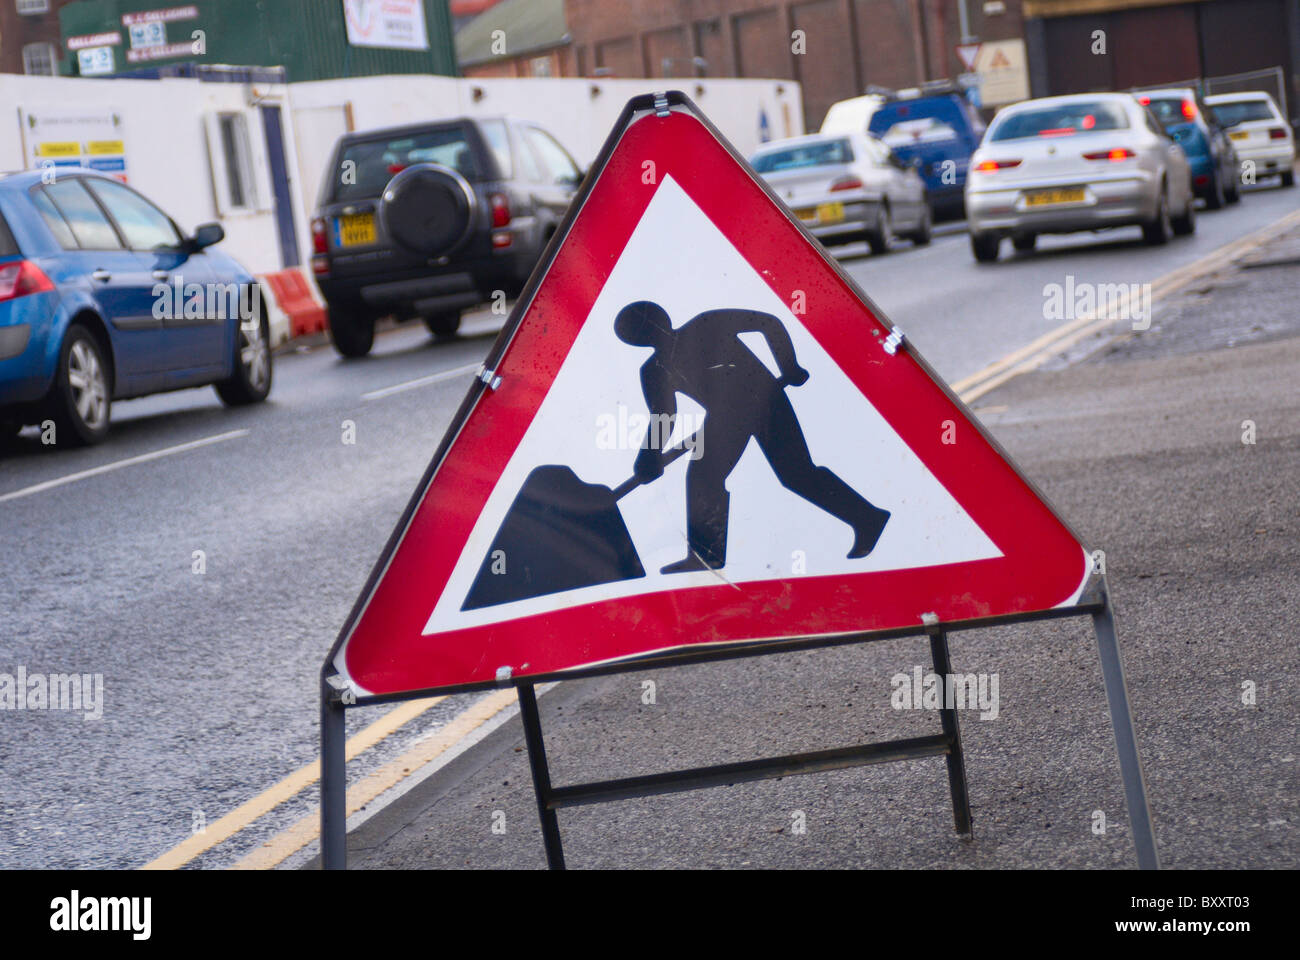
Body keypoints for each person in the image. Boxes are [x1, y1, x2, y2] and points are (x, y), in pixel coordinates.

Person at [614, 300, 891, 574]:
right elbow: (664, 414)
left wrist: (789, 366)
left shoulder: (706, 324)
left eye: (648, 324)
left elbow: (767, 323)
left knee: (795, 474)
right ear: (636, 340)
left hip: (765, 400)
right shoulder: (654, 369)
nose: (652, 331)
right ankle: (705, 556)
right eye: (641, 330)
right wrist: (649, 456)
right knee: (703, 477)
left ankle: (868, 519)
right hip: (724, 417)